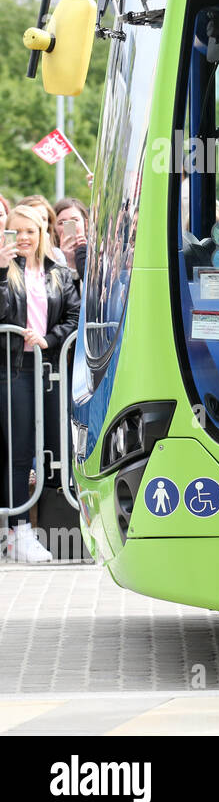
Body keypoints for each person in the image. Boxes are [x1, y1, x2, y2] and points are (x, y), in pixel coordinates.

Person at [0, 204, 80, 563]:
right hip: (13, 371)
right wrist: (2, 274)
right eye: (15, 232)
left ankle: (47, 528)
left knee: (53, 449)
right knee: (18, 453)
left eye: (29, 231)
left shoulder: (58, 273)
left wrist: (49, 338)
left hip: (49, 371)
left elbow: (75, 314)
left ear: (41, 233)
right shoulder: (5, 271)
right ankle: (18, 531)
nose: (23, 238)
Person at [18, 196, 67, 268]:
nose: (39, 223)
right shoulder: (9, 255)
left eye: (43, 219)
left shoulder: (56, 255)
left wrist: (48, 256)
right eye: (33, 217)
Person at [53, 197, 89, 284]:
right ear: (54, 229)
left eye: (74, 220)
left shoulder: (98, 253)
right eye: (61, 222)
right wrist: (68, 261)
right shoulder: (50, 258)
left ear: (86, 224)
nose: (69, 226)